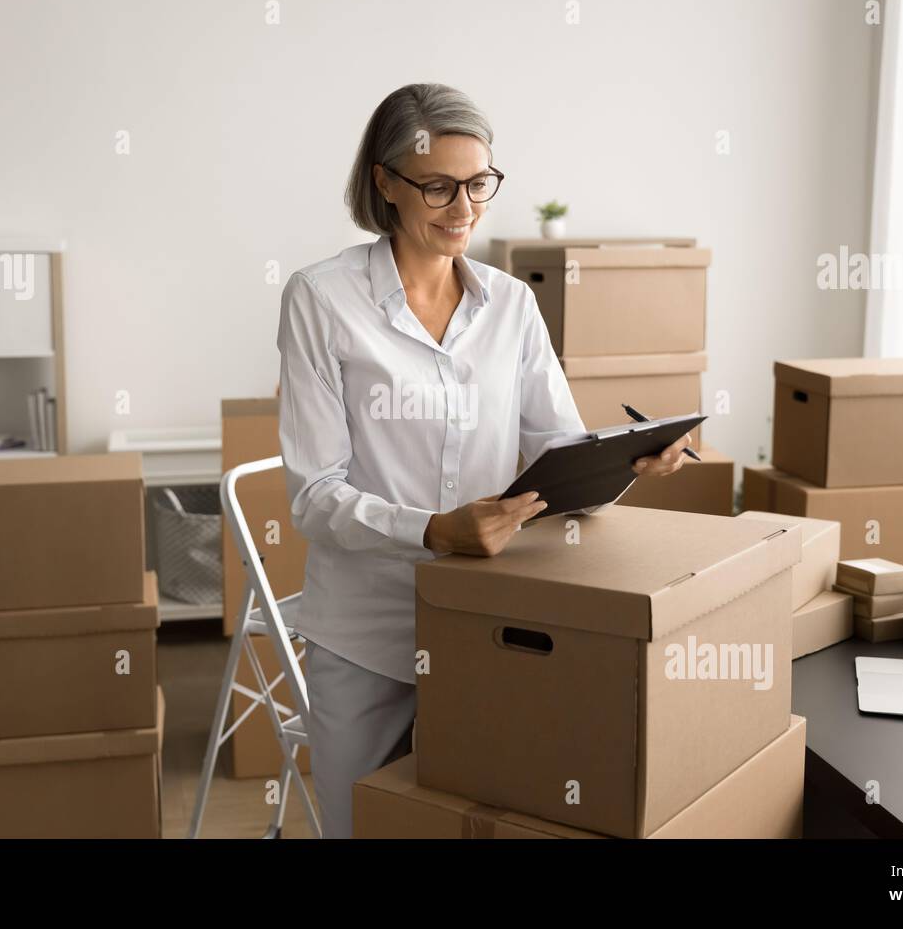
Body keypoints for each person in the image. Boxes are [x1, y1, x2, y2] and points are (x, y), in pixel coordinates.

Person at [276, 83, 691, 838]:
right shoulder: (321, 299)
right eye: (438, 185)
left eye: (479, 184)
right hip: (367, 632)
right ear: (385, 183)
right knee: (361, 828)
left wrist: (629, 461)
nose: (463, 207)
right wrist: (437, 530)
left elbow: (555, 457)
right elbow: (315, 497)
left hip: (490, 627)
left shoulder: (510, 304)